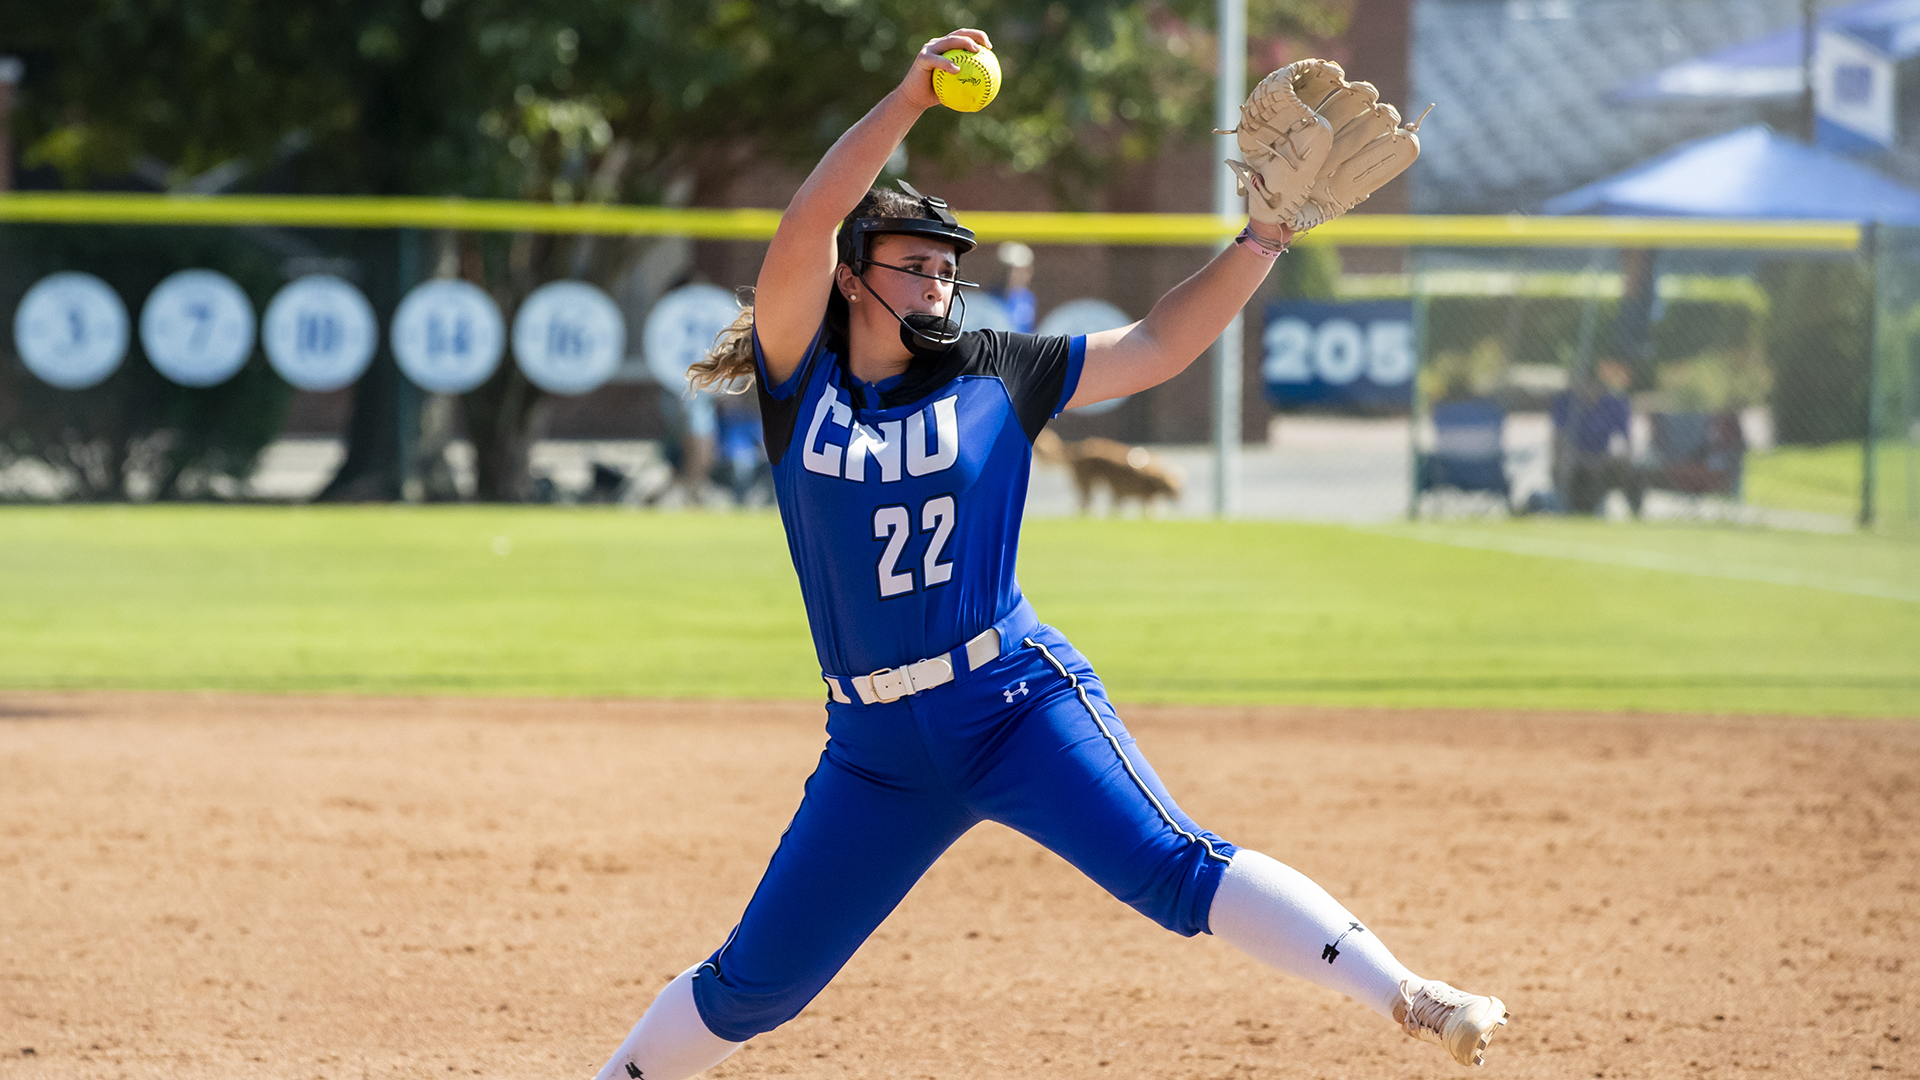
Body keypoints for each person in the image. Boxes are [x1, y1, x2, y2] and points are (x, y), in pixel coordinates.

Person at [592, 31, 1508, 1080]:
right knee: (755, 987)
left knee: (1174, 867)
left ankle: (1411, 996)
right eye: (916, 265)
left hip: (1016, 703)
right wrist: (907, 99)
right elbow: (806, 224)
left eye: (949, 270)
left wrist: (1263, 239)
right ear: (854, 280)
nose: (939, 284)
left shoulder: (996, 370)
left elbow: (1159, 345)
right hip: (876, 748)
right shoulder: (806, 383)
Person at [1550, 358, 1644, 516]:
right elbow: (1558, 441)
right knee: (1574, 472)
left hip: (1604, 459)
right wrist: (1576, 459)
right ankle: (1578, 511)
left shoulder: (1615, 403)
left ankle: (1636, 513)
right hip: (1576, 459)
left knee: (1632, 471)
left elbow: (1625, 444)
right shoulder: (1566, 403)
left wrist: (1608, 459)